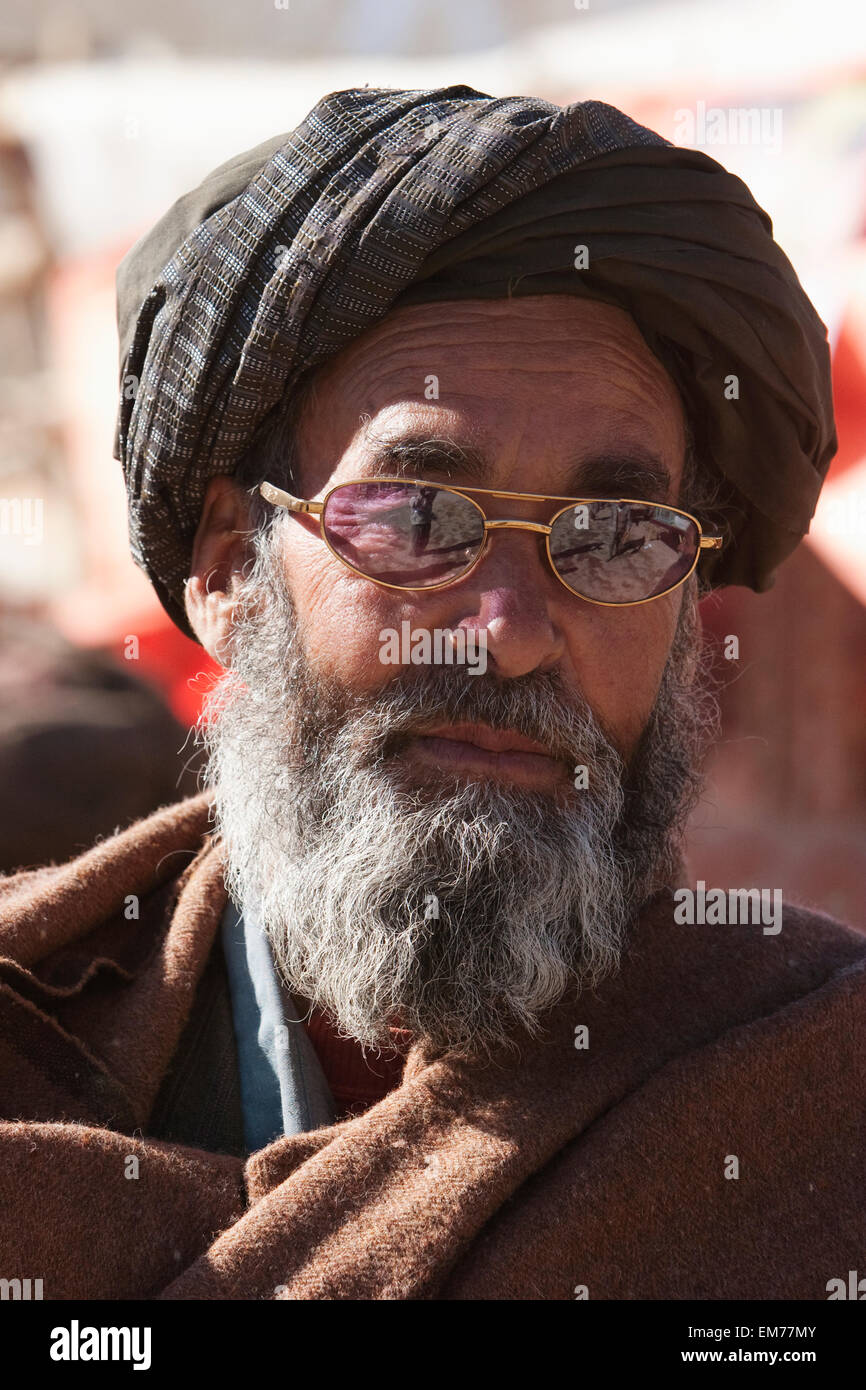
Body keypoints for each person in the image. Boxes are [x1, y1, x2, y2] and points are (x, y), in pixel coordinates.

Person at [1, 87, 862, 1302]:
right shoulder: (31, 1028)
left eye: (611, 534)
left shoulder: (819, 1098)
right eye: (414, 518)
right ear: (228, 570)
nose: (506, 635)